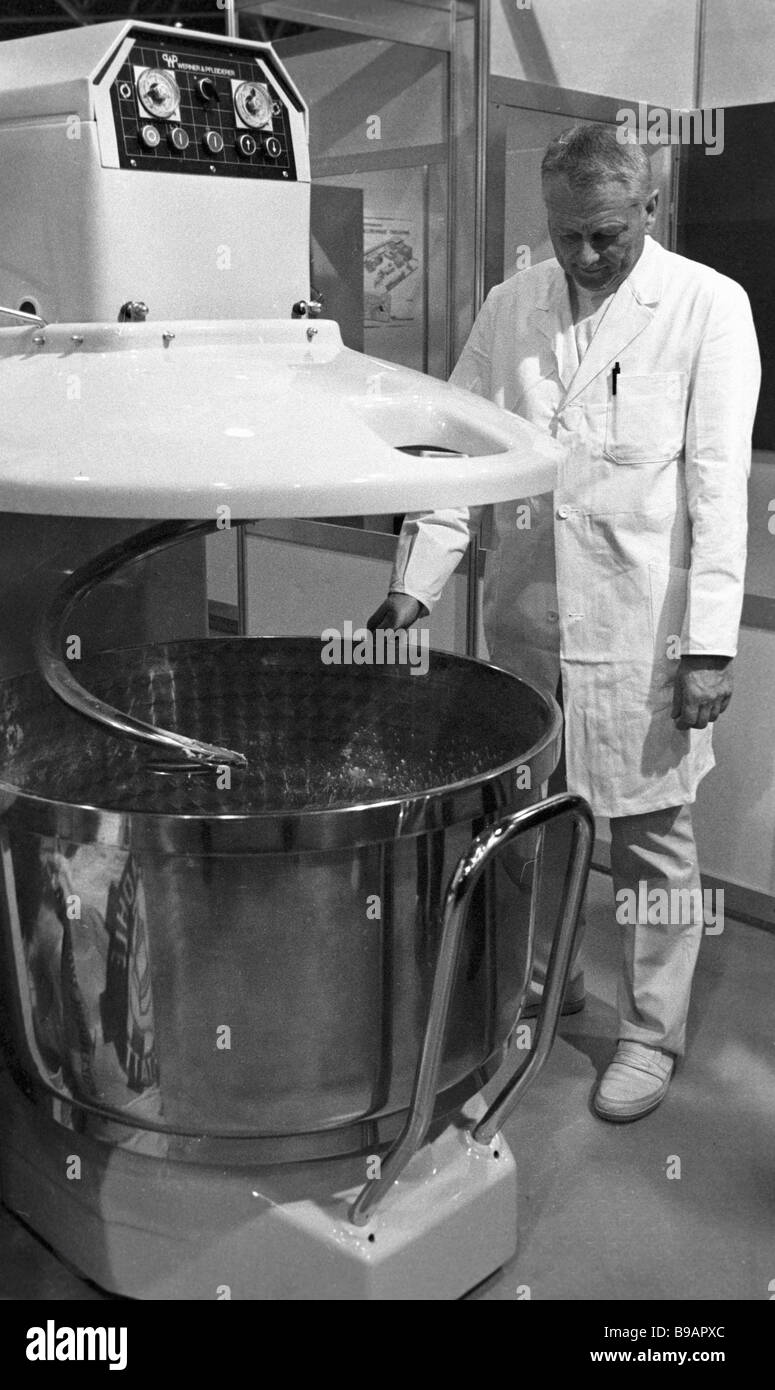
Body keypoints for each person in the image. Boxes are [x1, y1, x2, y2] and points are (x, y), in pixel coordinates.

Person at [368, 124, 760, 1122]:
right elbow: (459, 449)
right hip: (529, 623)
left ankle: (648, 1030)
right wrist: (412, 587)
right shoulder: (513, 305)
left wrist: (708, 645)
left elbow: (716, 490)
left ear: (650, 212)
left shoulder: (708, 309)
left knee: (652, 839)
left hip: (646, 629)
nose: (582, 258)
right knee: (526, 820)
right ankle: (545, 984)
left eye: (603, 236)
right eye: (565, 237)